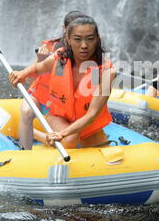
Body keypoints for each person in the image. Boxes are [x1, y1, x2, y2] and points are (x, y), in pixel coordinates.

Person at [9, 16, 116, 149]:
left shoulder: (105, 72)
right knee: (70, 140)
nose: (84, 45)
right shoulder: (61, 59)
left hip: (88, 123)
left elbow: (92, 114)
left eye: (90, 39)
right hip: (60, 116)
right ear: (68, 40)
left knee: (96, 153)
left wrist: (62, 134)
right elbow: (38, 68)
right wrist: (22, 74)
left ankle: (37, 134)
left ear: (97, 39)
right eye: (77, 39)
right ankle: (45, 135)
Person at [18, 11, 86, 150]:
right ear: (64, 29)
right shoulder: (49, 46)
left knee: (70, 141)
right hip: (41, 96)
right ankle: (24, 153)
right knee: (26, 111)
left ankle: (36, 134)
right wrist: (40, 60)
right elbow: (31, 76)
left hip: (63, 104)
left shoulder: (86, 50)